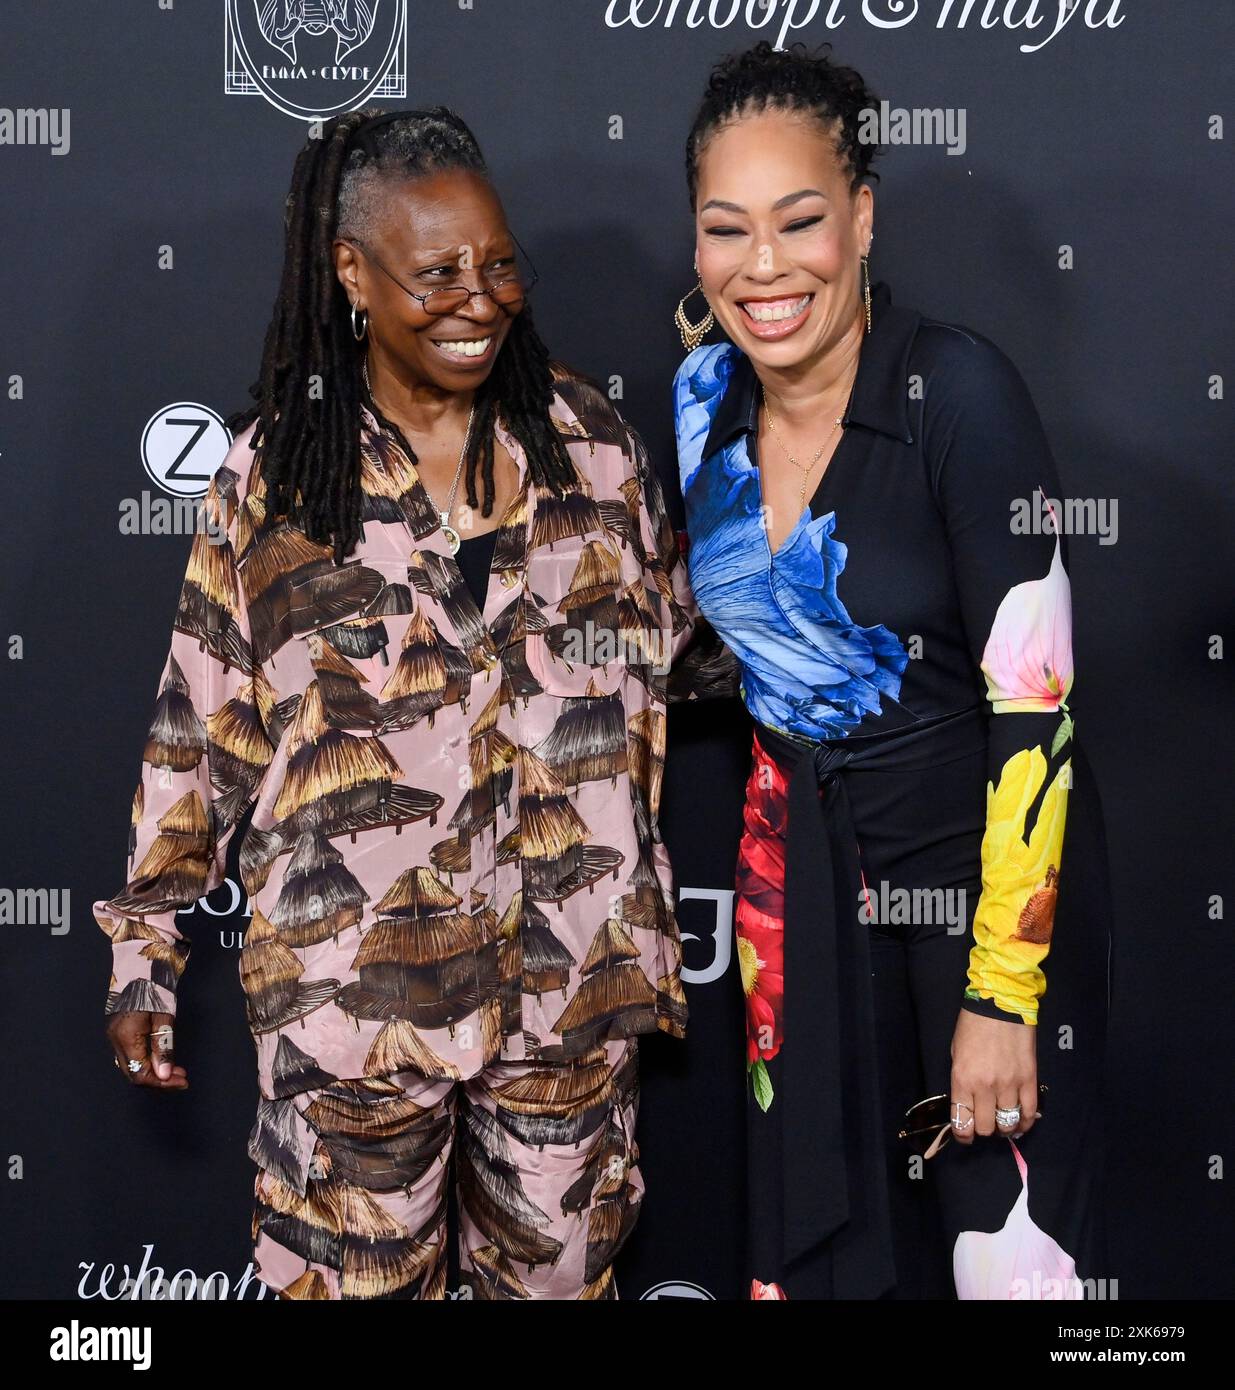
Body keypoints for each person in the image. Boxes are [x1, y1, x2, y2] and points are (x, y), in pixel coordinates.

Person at [94, 106, 712, 1301]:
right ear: (352, 274)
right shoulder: (275, 481)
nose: (477, 299)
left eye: (496, 265)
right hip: (351, 1017)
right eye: (436, 273)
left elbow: (674, 652)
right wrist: (143, 952)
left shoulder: (593, 450)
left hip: (565, 1009)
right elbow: (199, 721)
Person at [671, 42, 1112, 1299]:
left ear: (859, 217)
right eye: (725, 230)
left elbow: (1038, 715)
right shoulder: (701, 400)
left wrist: (999, 997)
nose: (762, 267)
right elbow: (742, 637)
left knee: (1009, 1273)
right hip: (793, 915)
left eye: (799, 221)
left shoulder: (954, 392)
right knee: (823, 1267)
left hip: (978, 909)